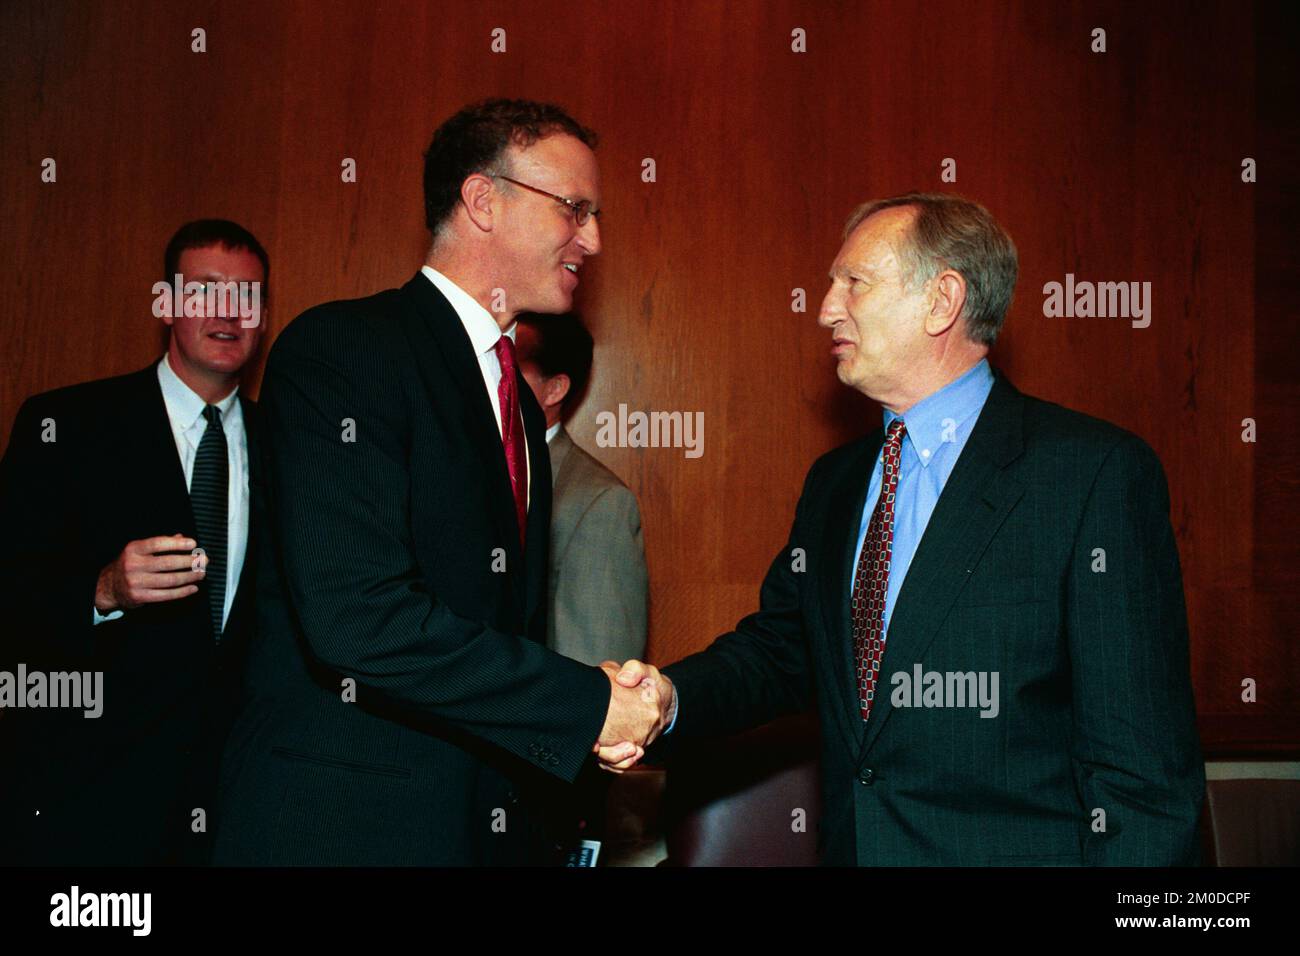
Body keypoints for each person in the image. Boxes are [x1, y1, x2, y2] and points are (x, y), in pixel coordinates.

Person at [605, 193, 1205, 866]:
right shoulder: (836, 483)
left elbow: (1143, 776)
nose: (827, 307)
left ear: (941, 300)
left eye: (853, 282)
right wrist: (666, 698)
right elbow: (783, 651)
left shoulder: (1090, 476)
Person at [212, 99, 666, 867]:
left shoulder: (516, 401)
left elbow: (492, 627)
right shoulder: (343, 350)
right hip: (343, 834)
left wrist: (582, 700)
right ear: (483, 201)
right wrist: (584, 703)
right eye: (574, 209)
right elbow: (357, 617)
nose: (592, 238)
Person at [0, 218, 269, 864]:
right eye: (205, 291)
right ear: (168, 304)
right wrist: (103, 589)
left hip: (234, 814)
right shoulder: (65, 425)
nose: (229, 313)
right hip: (89, 807)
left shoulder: (291, 449)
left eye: (248, 295)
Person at [515, 312, 648, 667]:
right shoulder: (463, 469)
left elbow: (597, 679)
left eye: (510, 365)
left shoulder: (599, 504)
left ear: (555, 388)